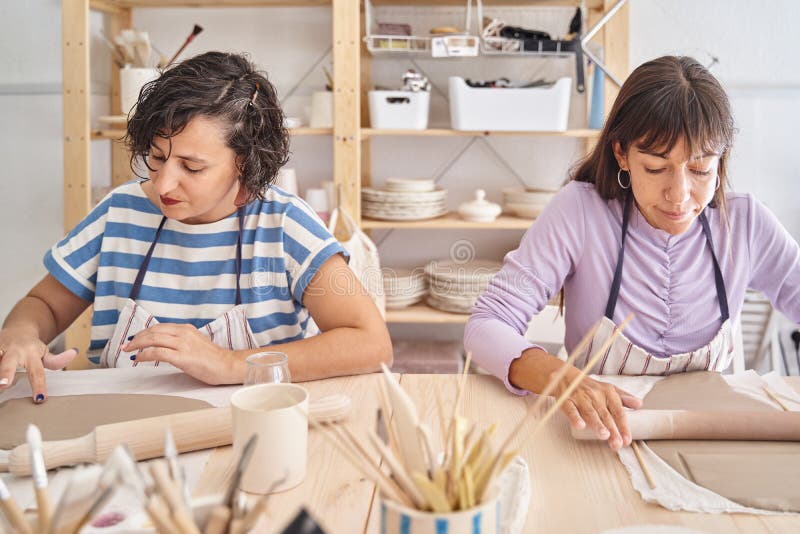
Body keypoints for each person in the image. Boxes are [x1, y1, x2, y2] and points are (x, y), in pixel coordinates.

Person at [0, 51, 392, 402]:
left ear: (247, 165)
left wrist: (231, 364)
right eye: (156, 156)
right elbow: (44, 305)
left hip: (248, 432)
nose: (163, 183)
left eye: (192, 167)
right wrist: (21, 335)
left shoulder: (284, 226)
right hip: (124, 432)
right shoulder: (119, 213)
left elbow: (370, 344)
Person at [465, 56, 800, 451]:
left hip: (708, 441)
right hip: (599, 438)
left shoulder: (745, 223)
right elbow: (485, 325)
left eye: (700, 170)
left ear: (721, 159)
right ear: (622, 154)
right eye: (656, 168)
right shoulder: (580, 213)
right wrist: (564, 380)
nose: (679, 195)